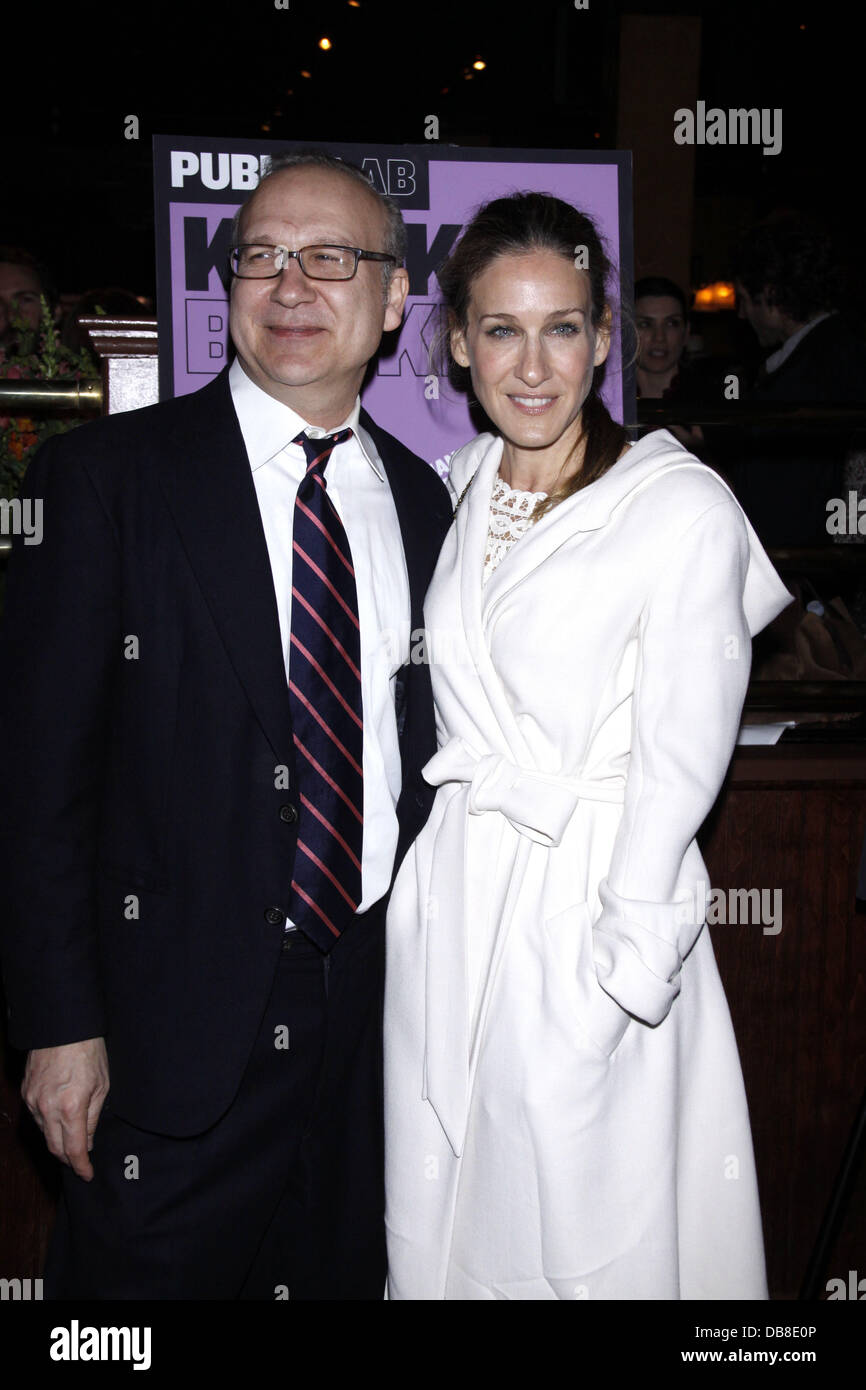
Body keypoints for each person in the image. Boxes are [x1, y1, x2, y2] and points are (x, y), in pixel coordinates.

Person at [0, 151, 452, 1299]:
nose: (289, 286)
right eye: (259, 257)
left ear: (394, 300)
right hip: (167, 1035)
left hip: (372, 1022)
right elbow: (36, 778)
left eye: (329, 259)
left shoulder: (420, 496)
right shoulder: (103, 478)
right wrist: (59, 1025)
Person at [383, 191, 792, 1300]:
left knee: (588, 1232)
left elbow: (679, 760)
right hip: (455, 900)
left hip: (594, 913)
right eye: (500, 330)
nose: (530, 364)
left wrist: (619, 971)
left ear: (603, 338)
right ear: (458, 343)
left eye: (560, 326)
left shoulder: (674, 506)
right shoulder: (456, 490)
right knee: (449, 1217)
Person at [720, 210, 866, 547]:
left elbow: (784, 502)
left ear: (770, 295)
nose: (741, 314)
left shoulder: (811, 373)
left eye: (743, 299)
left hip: (816, 572)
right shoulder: (842, 346)